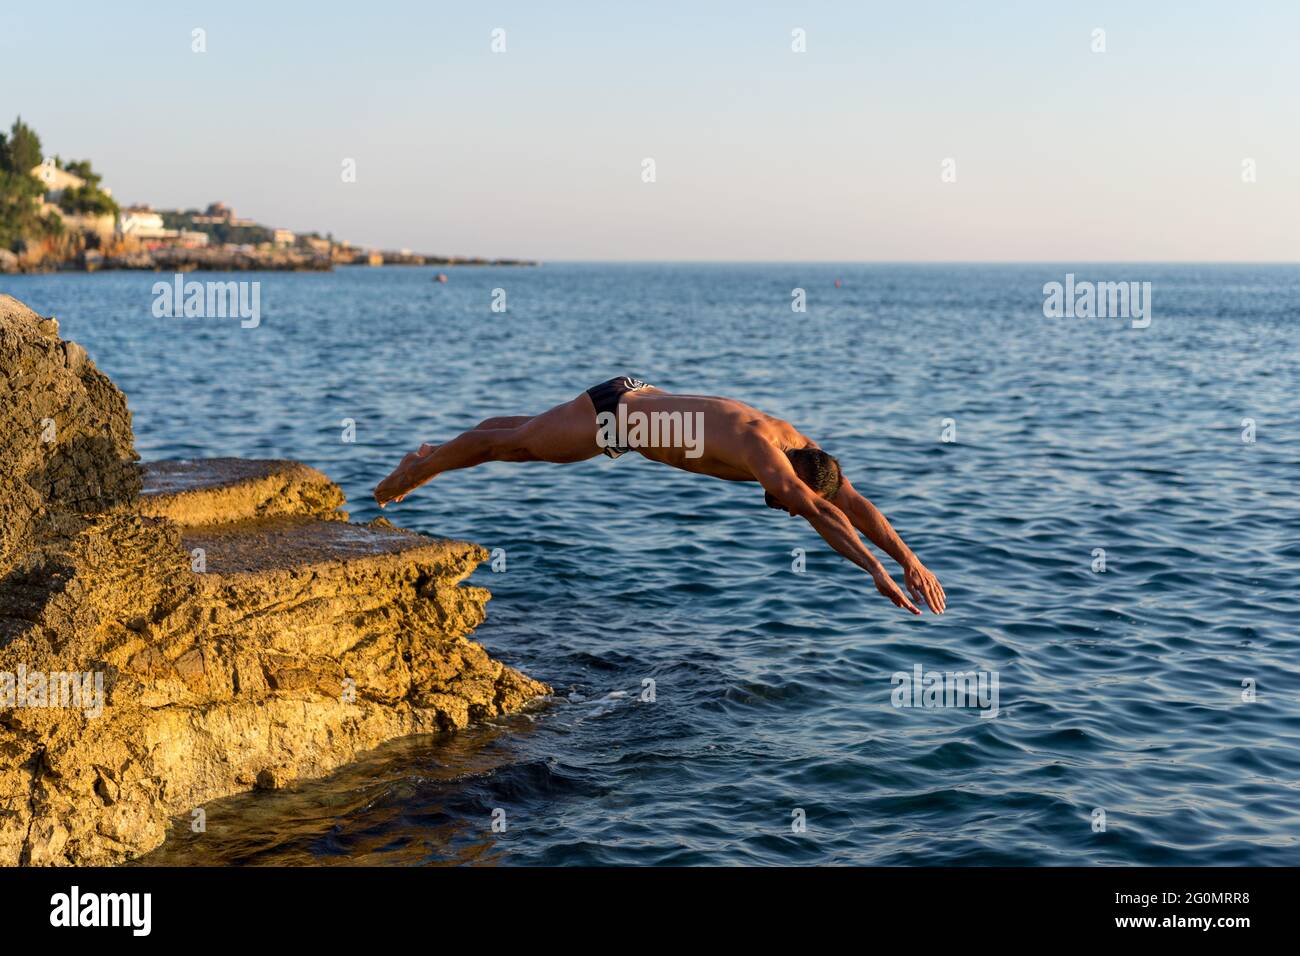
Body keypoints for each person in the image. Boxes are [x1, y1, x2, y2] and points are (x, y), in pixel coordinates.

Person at [375, 377, 946, 615]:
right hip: (617, 419)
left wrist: (910, 558)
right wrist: (875, 571)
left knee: (520, 434)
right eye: (782, 499)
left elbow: (850, 502)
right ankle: (417, 468)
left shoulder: (802, 449)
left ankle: (436, 450)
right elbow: (819, 509)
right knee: (514, 446)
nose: (779, 505)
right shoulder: (766, 455)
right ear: (787, 477)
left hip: (632, 420)